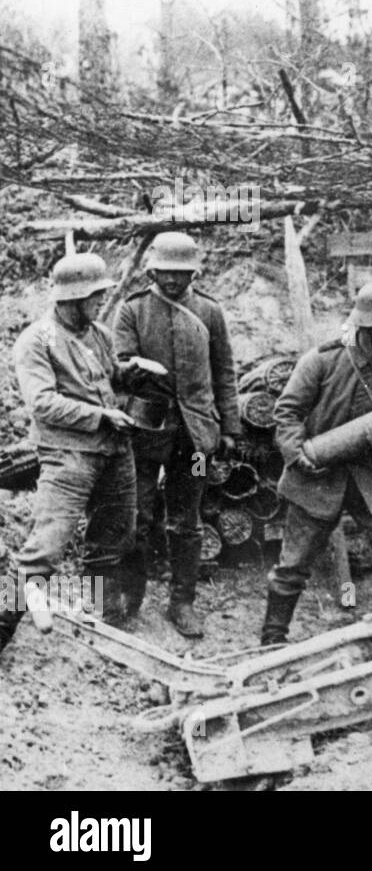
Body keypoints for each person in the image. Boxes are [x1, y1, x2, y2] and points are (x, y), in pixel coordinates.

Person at [260, 283, 372, 645]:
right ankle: (272, 640)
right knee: (292, 566)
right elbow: (287, 413)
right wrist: (296, 452)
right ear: (365, 326)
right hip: (318, 478)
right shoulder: (322, 360)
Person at [1, 253, 142, 656]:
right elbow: (42, 403)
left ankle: (96, 621)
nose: (102, 302)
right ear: (73, 298)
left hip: (115, 451)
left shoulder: (98, 332)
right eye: (96, 295)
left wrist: (130, 373)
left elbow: (109, 374)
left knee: (112, 538)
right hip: (69, 455)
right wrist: (101, 415)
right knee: (44, 550)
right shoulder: (37, 340)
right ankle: (2, 628)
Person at [113, 232, 241, 638]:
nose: (172, 281)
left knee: (189, 518)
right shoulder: (133, 311)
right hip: (147, 431)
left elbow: (225, 371)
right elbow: (117, 368)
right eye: (165, 273)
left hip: (197, 437)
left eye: (181, 274)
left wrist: (231, 427)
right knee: (138, 513)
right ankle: (127, 597)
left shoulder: (209, 311)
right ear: (151, 270)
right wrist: (131, 372)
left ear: (193, 272)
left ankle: (182, 603)